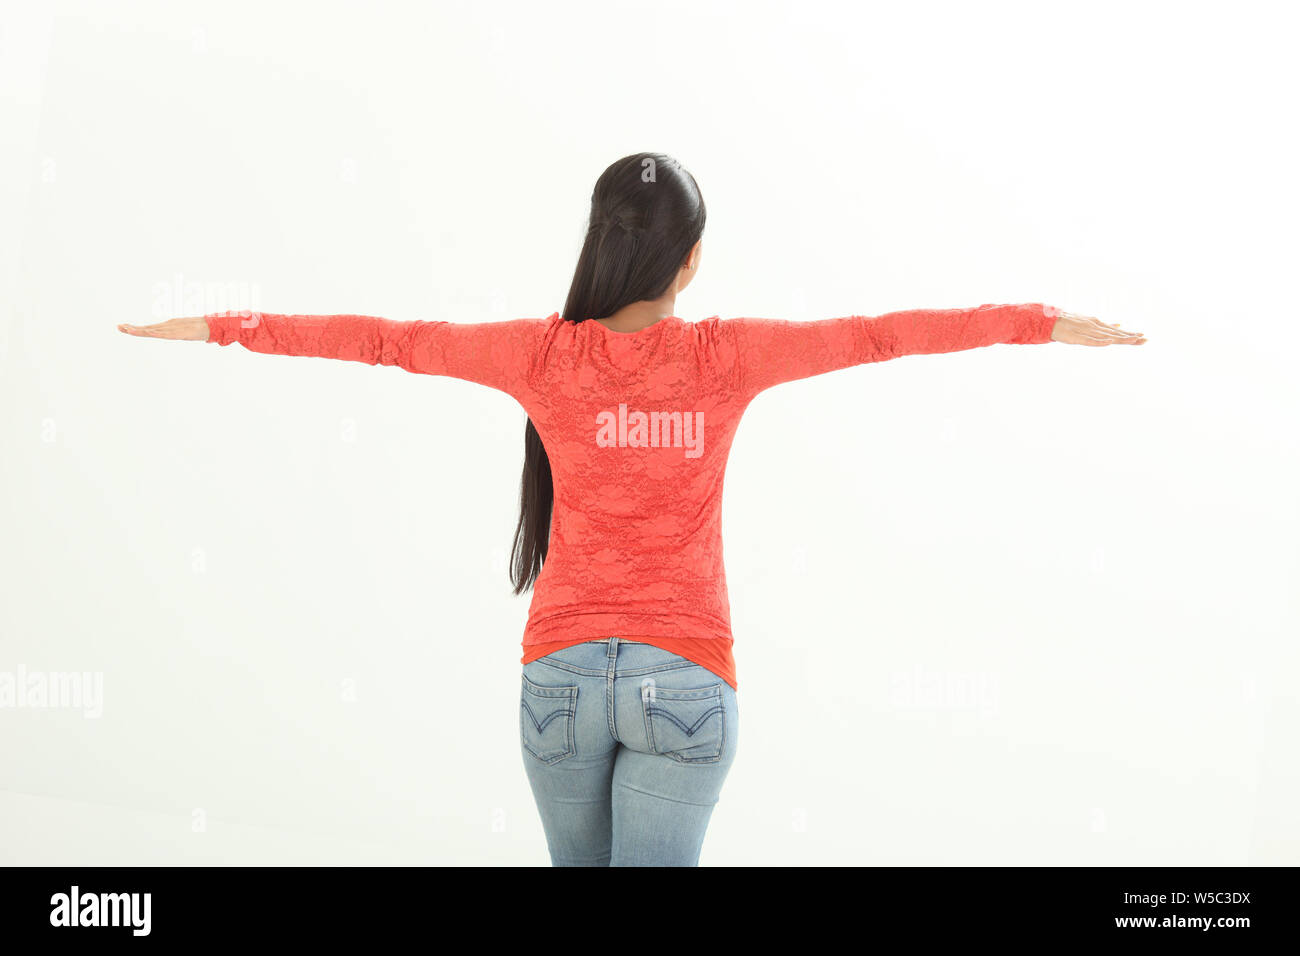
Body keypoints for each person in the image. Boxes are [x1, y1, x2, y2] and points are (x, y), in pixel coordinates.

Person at [117, 152, 1145, 866]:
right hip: (685, 683)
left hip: (559, 682)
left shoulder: (540, 354)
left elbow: (385, 338)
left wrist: (221, 324)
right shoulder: (726, 354)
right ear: (690, 259)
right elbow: (880, 335)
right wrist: (1042, 321)